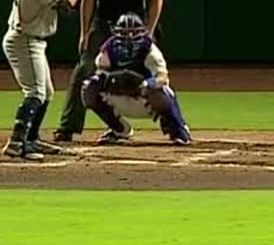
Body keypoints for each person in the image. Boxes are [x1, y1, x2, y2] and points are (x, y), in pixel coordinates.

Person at [56, 0, 164, 142]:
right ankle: (68, 126)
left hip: (136, 27)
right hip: (105, 23)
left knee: (154, 75)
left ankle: (173, 123)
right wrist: (85, 32)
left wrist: (150, 30)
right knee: (85, 70)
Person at [1, 0, 83, 160]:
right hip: (24, 40)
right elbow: (67, 6)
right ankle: (16, 143)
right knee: (35, 92)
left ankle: (31, 138)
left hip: (33, 40)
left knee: (46, 93)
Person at [82, 13, 192, 146]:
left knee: (161, 92)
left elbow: (162, 78)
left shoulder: (150, 50)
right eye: (125, 33)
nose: (129, 37)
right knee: (89, 89)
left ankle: (178, 129)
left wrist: (146, 84)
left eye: (133, 33)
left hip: (145, 99)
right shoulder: (108, 50)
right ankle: (119, 129)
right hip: (119, 97)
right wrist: (109, 80)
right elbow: (100, 73)